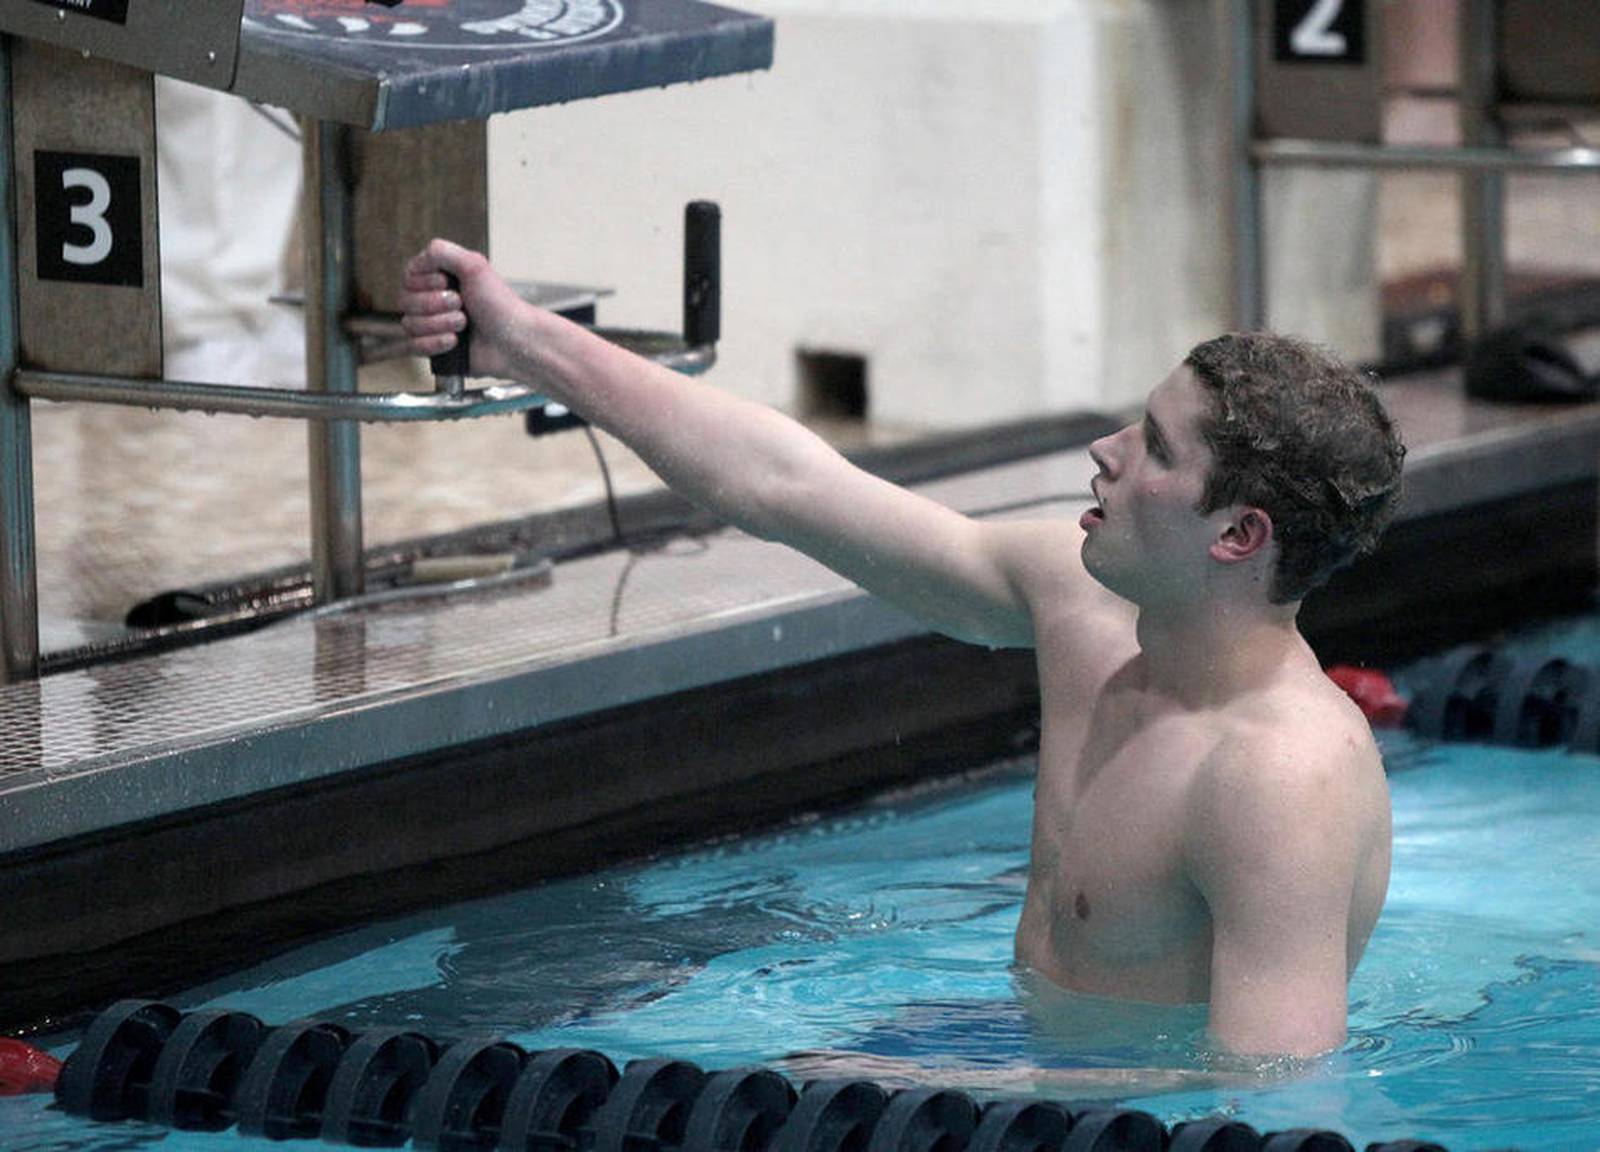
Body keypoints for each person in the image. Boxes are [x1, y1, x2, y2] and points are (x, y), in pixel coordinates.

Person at [398, 239, 1406, 1061]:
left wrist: (961, 1099)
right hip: (1015, 1059)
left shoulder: (1277, 778)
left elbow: (1265, 1101)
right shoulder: (1083, 608)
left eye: (1153, 444)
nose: (1106, 451)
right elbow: (785, 485)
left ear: (1238, 535)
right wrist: (527, 345)